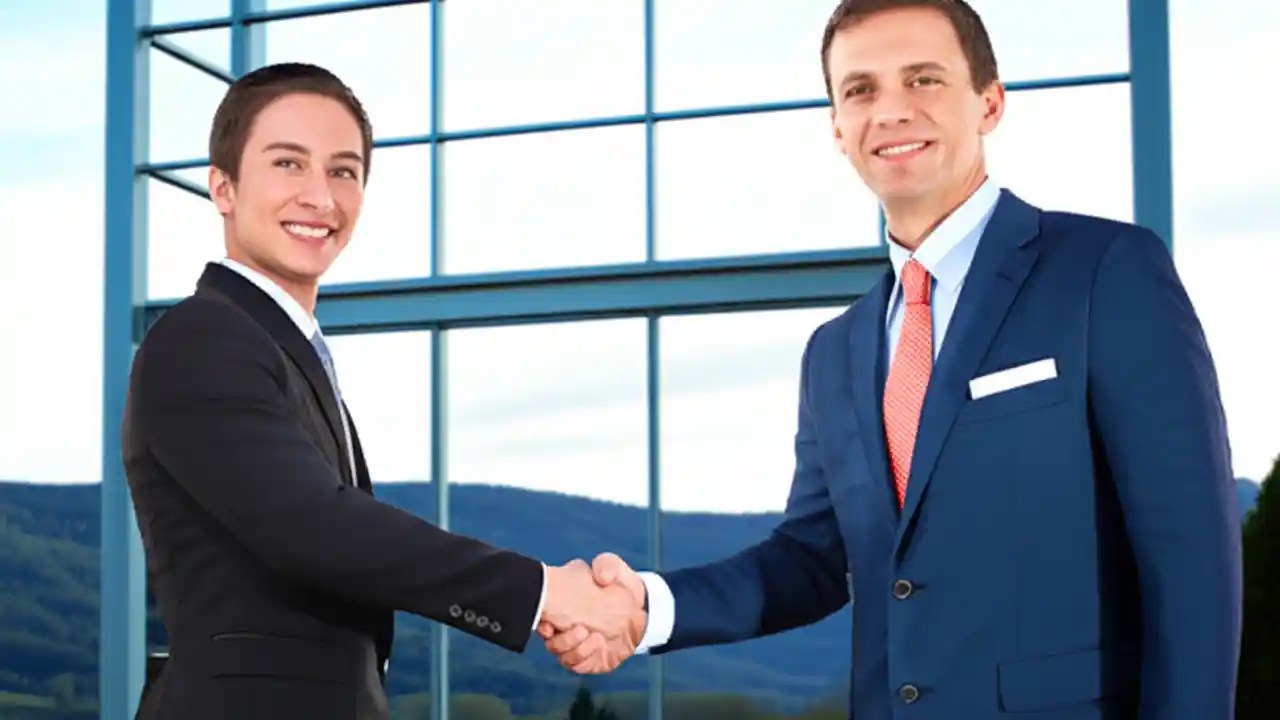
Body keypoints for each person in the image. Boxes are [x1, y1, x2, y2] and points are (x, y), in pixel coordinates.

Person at [542, 1, 1243, 717]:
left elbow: (1191, 555)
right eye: (861, 90)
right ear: (837, 128)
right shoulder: (834, 352)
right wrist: (646, 607)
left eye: (923, 79)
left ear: (990, 103)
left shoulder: (1105, 272)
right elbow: (810, 561)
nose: (891, 110)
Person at [121, 62, 644, 720]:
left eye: (343, 171)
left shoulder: (281, 350)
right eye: (288, 164)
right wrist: (543, 592)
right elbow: (315, 527)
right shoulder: (203, 338)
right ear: (222, 186)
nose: (320, 197)